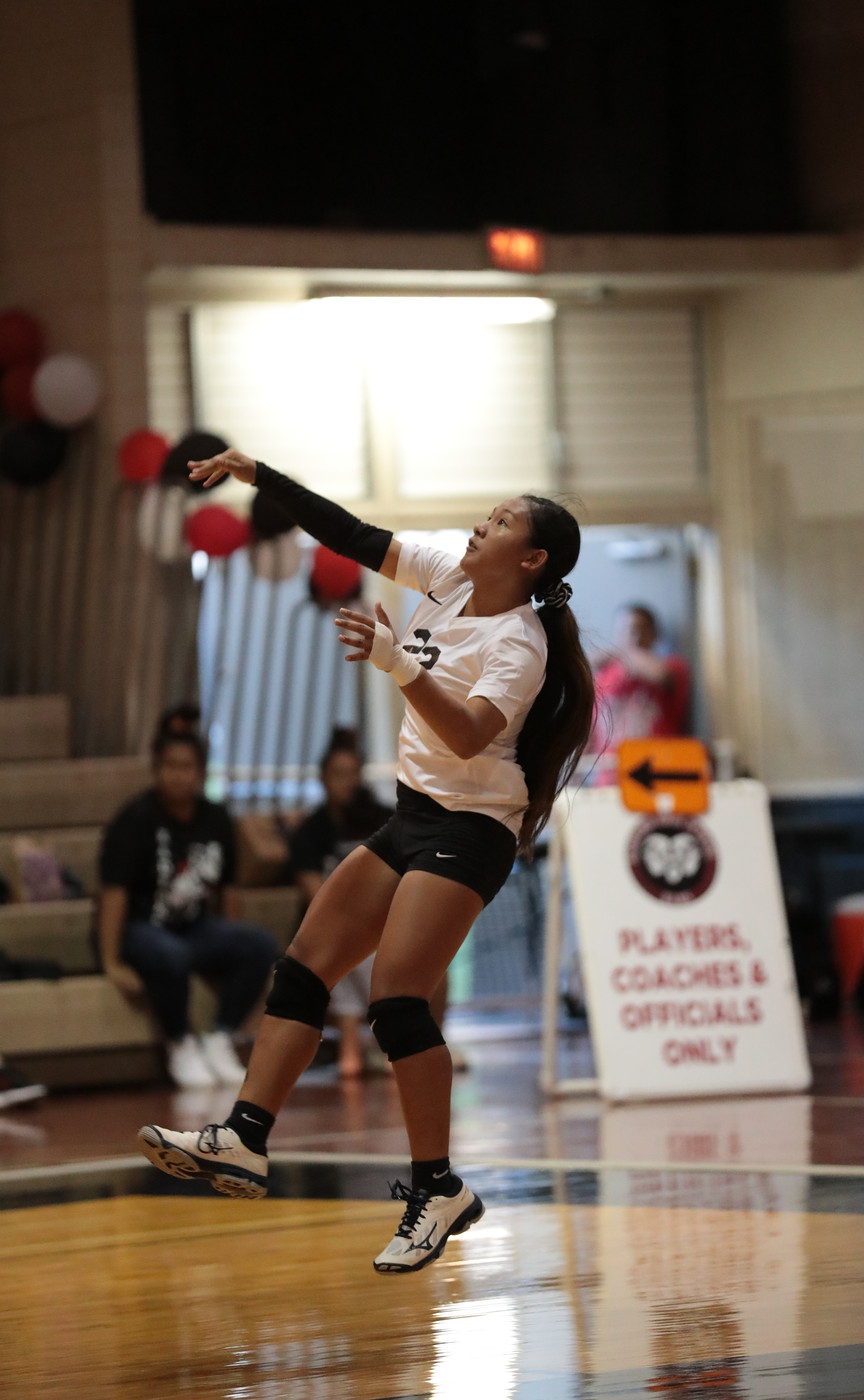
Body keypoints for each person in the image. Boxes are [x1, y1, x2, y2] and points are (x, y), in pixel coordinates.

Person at [138, 446, 594, 1275]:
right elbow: (349, 533)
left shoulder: (517, 643)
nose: (477, 525)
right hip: (415, 815)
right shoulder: (448, 573)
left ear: (529, 560)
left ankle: (438, 1188)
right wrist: (258, 475)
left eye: (496, 522)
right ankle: (243, 1139)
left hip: (473, 827)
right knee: (303, 969)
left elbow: (467, 734)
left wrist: (396, 662)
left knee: (396, 1001)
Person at [98, 728, 279, 1088]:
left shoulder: (215, 819)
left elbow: (228, 887)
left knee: (258, 945)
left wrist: (227, 941)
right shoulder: (134, 820)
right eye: (170, 766)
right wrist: (112, 963)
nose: (178, 774)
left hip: (194, 926)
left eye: (187, 766)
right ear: (157, 769)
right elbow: (114, 894)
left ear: (200, 772)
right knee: (172, 955)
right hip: (141, 928)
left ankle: (220, 1037)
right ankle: (179, 1042)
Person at [290, 727, 394, 1077]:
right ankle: (389, 1041)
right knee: (344, 948)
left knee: (362, 950)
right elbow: (315, 895)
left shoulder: (382, 819)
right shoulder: (309, 831)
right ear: (322, 778)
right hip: (331, 926)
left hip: (381, 922)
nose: (346, 782)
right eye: (338, 774)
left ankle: (358, 1045)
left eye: (353, 774)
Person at [589, 602, 690, 766]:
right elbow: (590, 731)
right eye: (625, 630)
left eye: (637, 629)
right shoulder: (603, 677)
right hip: (609, 773)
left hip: (659, 768)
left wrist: (621, 652)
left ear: (653, 634)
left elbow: (660, 675)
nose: (632, 636)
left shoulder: (672, 665)